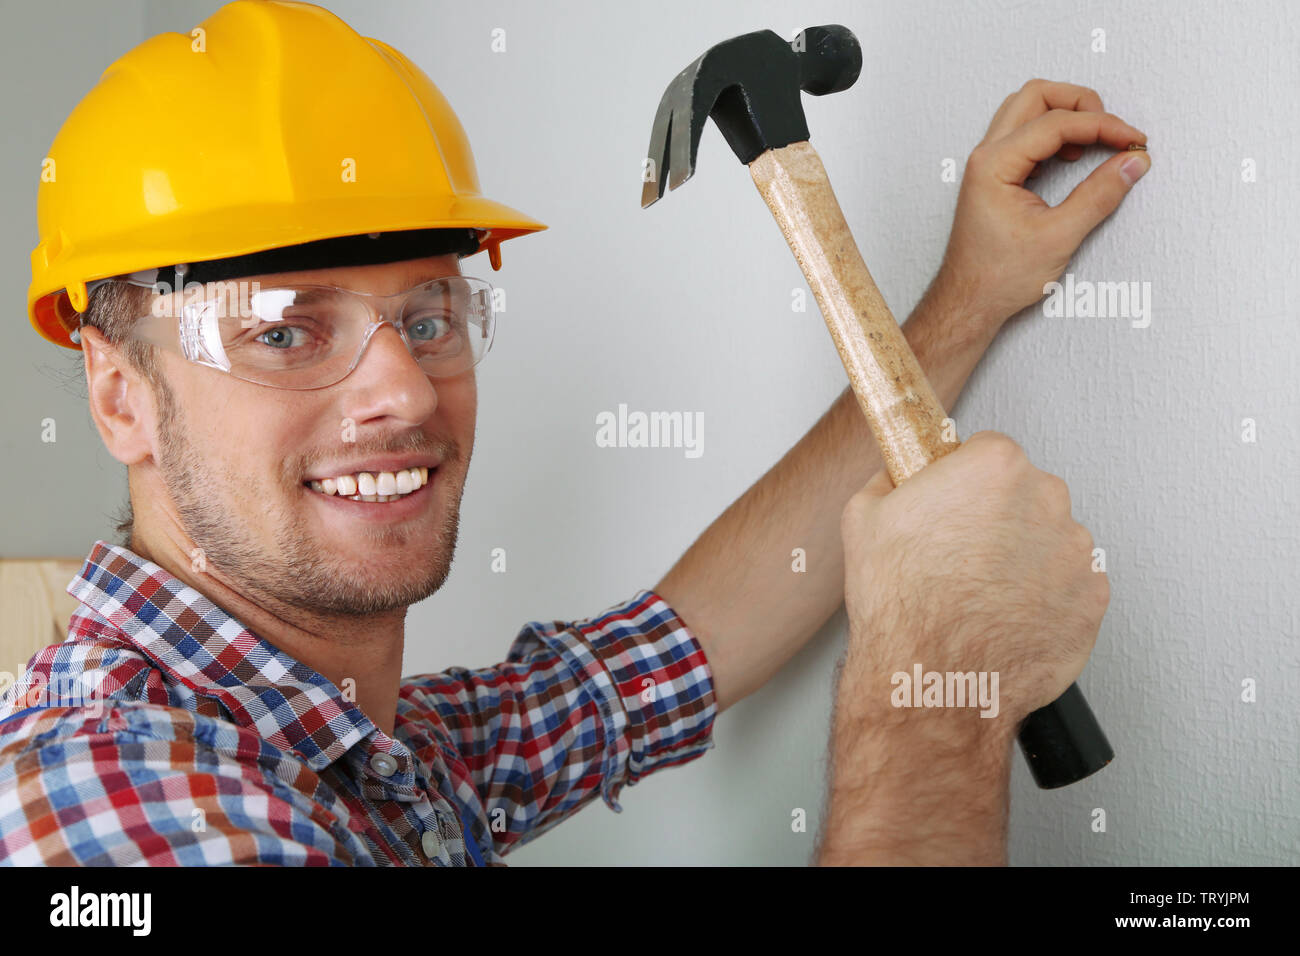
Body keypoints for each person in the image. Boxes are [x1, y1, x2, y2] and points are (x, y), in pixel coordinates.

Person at [0, 0, 1147, 866]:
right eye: (285, 332)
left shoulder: (371, 749)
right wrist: (932, 681)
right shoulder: (121, 803)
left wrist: (963, 300)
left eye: (430, 312)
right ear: (120, 397)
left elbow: (669, 649)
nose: (403, 386)